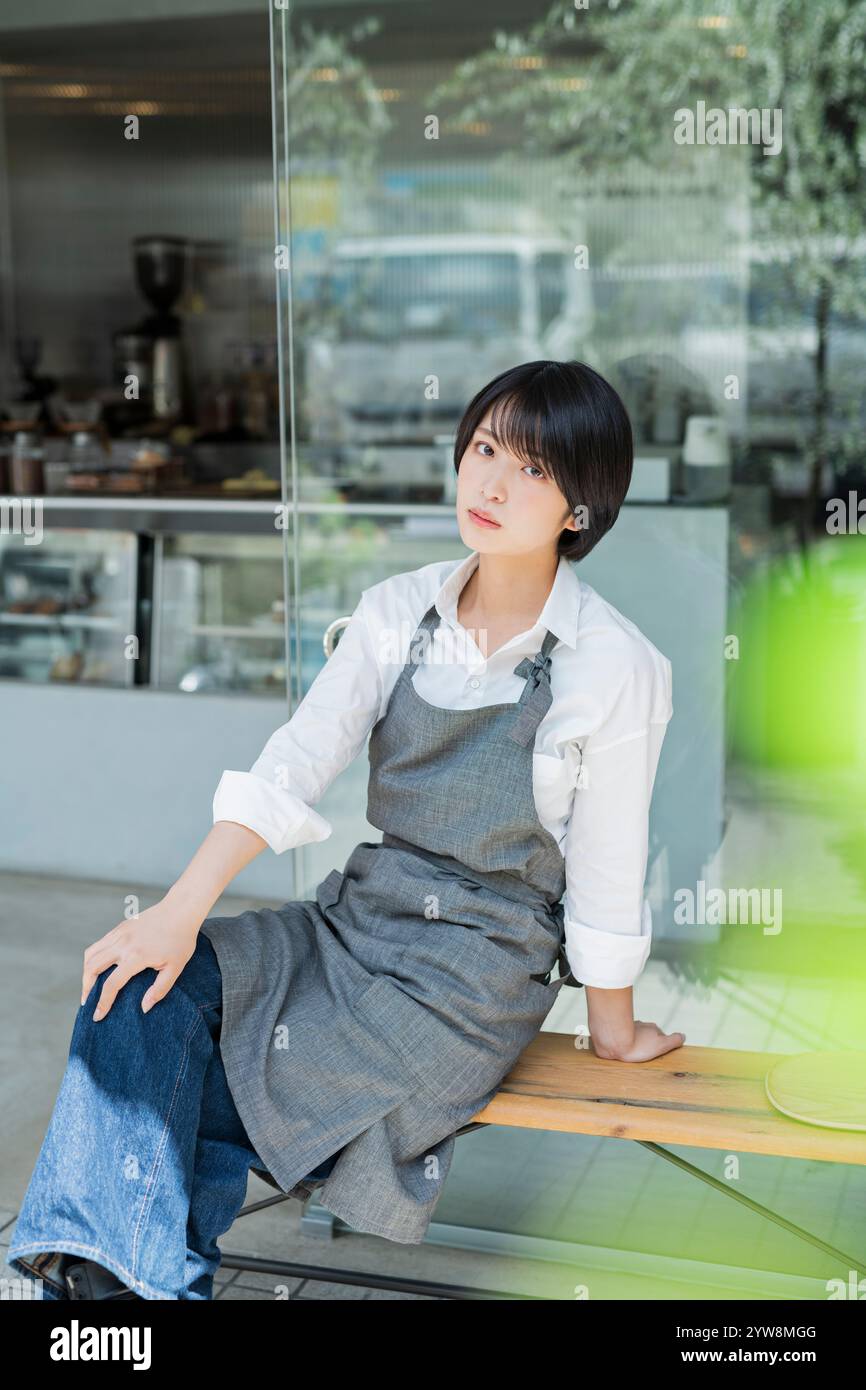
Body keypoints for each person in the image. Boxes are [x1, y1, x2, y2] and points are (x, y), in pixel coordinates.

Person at [7, 359, 682, 1301]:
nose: (489, 483)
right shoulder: (396, 610)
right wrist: (175, 913)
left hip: (472, 975)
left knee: (187, 1089)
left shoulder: (613, 666)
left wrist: (612, 1032)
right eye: (484, 448)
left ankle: (94, 1298)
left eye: (531, 469)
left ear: (581, 507)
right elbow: (294, 763)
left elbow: (607, 872)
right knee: (137, 993)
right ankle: (120, 1296)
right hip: (352, 922)